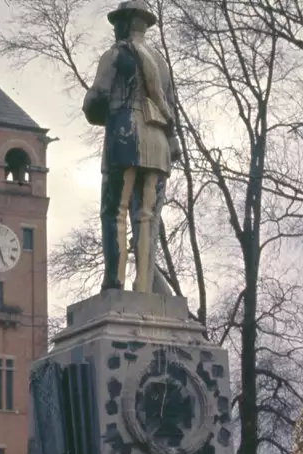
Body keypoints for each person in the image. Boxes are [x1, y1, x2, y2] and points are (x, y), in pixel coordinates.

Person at [83, 0, 180, 294]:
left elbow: (95, 101)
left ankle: (114, 283)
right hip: (159, 145)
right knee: (148, 216)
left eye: (117, 24)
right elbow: (171, 106)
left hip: (125, 139)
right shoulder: (161, 63)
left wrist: (98, 108)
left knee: (115, 211)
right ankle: (144, 287)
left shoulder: (115, 55)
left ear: (124, 24)